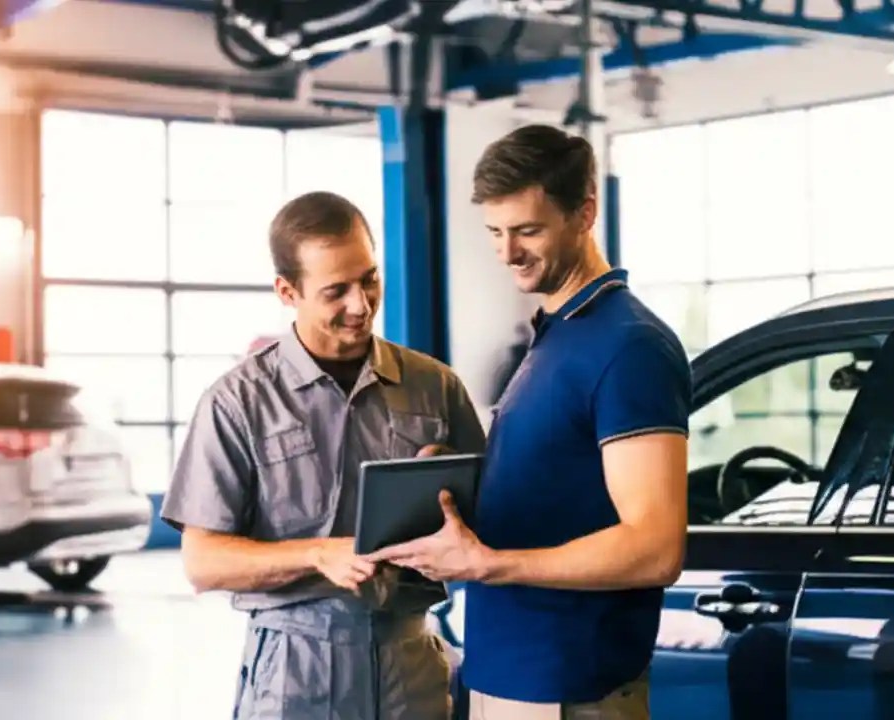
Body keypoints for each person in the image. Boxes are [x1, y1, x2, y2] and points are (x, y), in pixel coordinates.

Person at [368, 125, 692, 720]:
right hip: (513, 675)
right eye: (495, 231)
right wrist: (466, 480)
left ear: (585, 213)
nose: (507, 252)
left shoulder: (630, 347)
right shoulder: (557, 336)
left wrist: (491, 564)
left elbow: (655, 546)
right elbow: (559, 489)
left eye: (528, 230)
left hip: (569, 687)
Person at [160, 190, 487, 720]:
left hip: (410, 667)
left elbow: (488, 517)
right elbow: (203, 562)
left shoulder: (435, 387)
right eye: (336, 290)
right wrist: (317, 553)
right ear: (287, 291)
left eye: (369, 279)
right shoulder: (238, 402)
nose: (360, 304)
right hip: (295, 672)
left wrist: (451, 499)